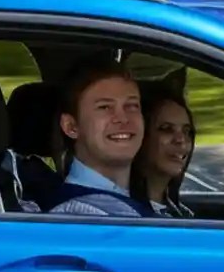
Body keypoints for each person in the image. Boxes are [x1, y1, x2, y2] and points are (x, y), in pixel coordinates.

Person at [47, 60, 155, 217]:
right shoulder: (76, 214)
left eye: (132, 106)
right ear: (71, 126)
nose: (123, 118)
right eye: (105, 107)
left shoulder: (140, 198)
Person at [131, 80, 196, 218]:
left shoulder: (181, 213)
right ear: (142, 136)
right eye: (166, 129)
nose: (181, 140)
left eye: (187, 131)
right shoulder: (123, 215)